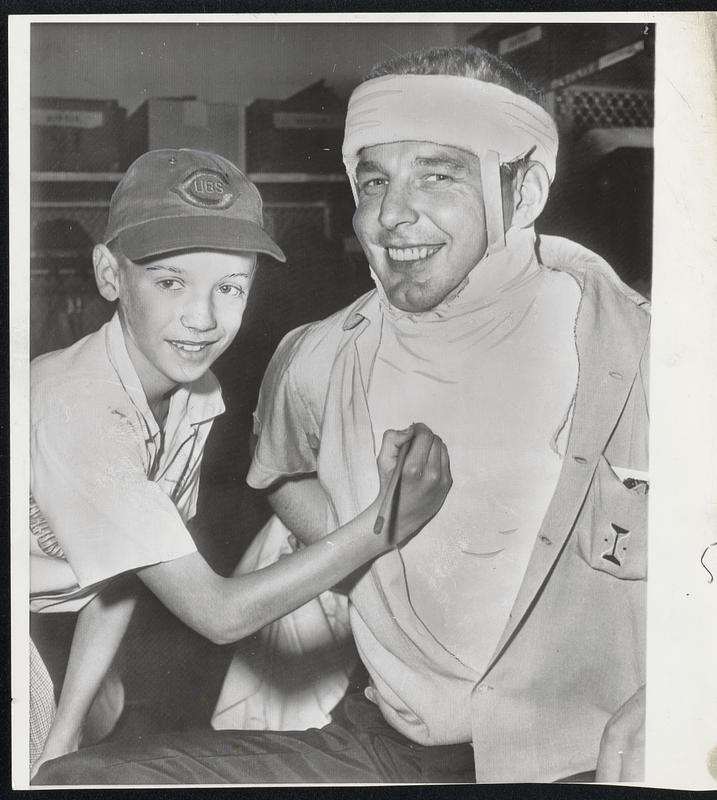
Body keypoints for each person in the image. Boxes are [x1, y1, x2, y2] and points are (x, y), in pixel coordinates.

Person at [34, 45, 650, 785]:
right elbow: (276, 475)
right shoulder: (321, 359)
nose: (392, 215)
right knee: (76, 782)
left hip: (581, 759)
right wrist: (372, 548)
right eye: (374, 179)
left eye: (438, 174)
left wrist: (693, 686)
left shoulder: (650, 354)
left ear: (524, 192)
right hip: (383, 748)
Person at [29, 149, 451, 779]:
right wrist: (382, 525)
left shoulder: (191, 398)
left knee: (69, 759)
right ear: (110, 275)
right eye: (170, 281)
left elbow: (120, 576)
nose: (202, 319)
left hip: (48, 631)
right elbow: (219, 615)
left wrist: (66, 727)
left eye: (230, 287)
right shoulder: (80, 410)